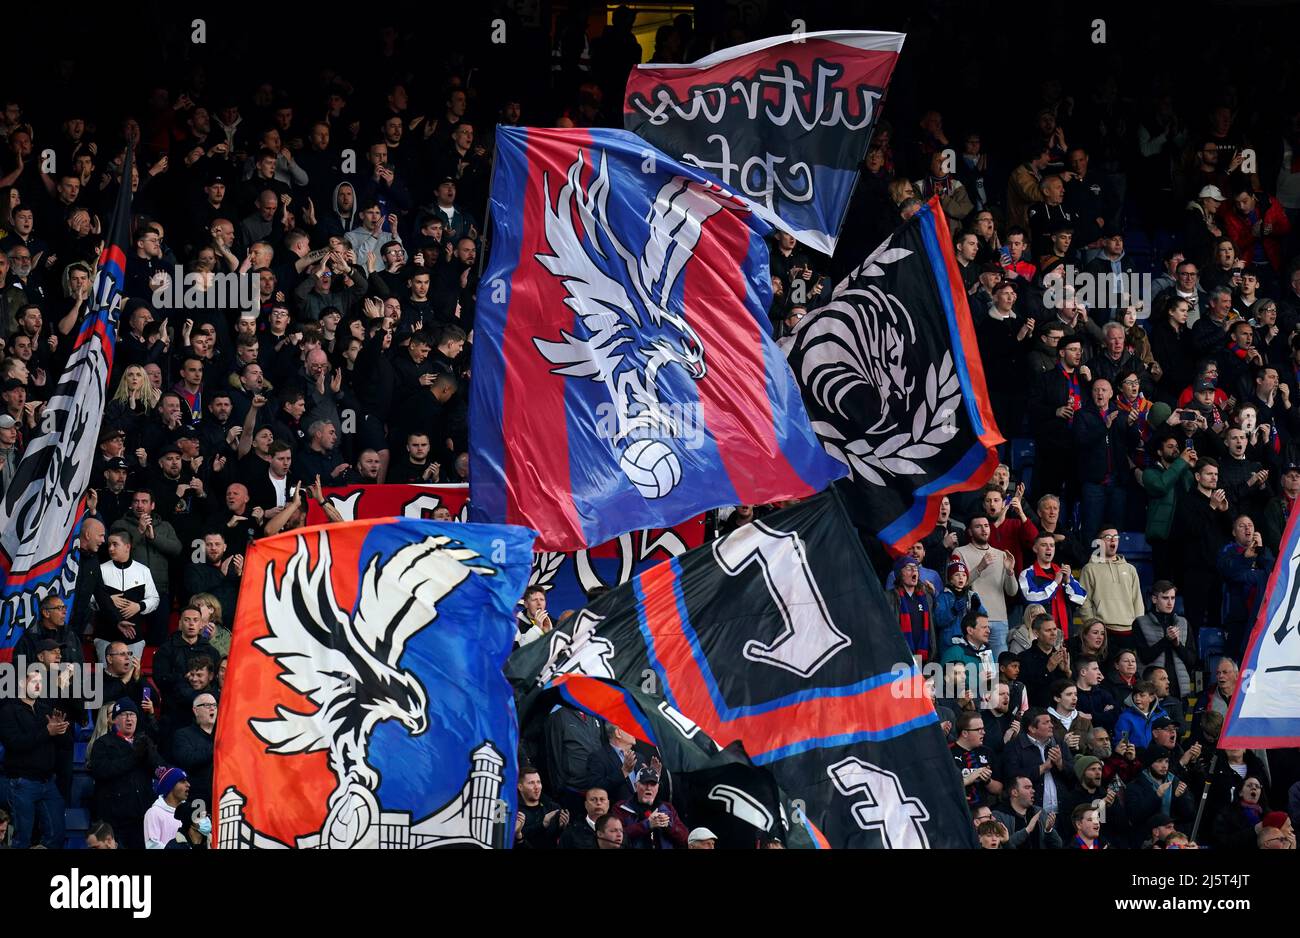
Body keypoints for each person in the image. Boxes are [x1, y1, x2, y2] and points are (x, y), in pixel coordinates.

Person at [0, 666, 67, 848]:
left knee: (57, 835)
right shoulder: (8, 710)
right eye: (34, 681)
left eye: (41, 682)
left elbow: (60, 745)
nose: (39, 685)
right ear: (22, 683)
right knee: (22, 838)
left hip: (48, 781)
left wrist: (60, 730)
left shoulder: (46, 710)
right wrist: (47, 731)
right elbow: (16, 743)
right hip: (22, 782)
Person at [86, 698, 162, 851]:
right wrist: (134, 757)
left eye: (132, 715)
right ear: (114, 720)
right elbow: (101, 770)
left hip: (142, 816)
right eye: (124, 714)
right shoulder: (103, 743)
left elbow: (158, 768)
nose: (129, 718)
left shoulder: (143, 741)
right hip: (116, 819)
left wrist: (162, 765)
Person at [952, 514, 1019, 659]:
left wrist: (1010, 571)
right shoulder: (960, 552)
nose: (984, 530)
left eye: (986, 526)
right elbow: (957, 585)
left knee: (1000, 666)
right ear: (970, 531)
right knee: (978, 667)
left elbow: (1012, 591)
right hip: (975, 619)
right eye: (978, 526)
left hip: (1000, 619)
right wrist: (980, 567)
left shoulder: (1001, 555)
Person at [1077, 525, 1145, 650]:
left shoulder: (1130, 569)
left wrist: (1137, 627)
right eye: (1108, 537)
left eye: (1116, 537)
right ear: (1099, 542)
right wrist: (1093, 627)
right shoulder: (1090, 569)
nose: (1113, 540)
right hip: (1103, 632)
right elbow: (1083, 600)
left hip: (1129, 631)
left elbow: (1137, 600)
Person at [1001, 709, 1075, 815]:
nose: (1051, 726)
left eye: (1050, 721)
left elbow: (1074, 774)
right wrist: (1043, 768)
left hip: (1061, 811)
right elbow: (1011, 777)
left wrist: (1060, 763)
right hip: (1031, 812)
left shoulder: (1059, 743)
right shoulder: (1014, 747)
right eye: (1046, 723)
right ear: (1032, 728)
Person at [1019, 533, 1086, 638]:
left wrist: (1068, 581)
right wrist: (1055, 583)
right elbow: (1031, 598)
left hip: (1065, 635)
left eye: (1052, 545)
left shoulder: (1062, 572)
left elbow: (1080, 599)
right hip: (1039, 637)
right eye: (1044, 545)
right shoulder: (1027, 574)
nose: (1049, 548)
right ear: (1035, 549)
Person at [615, 769, 689, 850]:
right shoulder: (621, 808)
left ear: (658, 788)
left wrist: (668, 825)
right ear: (635, 786)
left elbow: (685, 838)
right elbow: (617, 836)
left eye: (653, 784)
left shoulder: (668, 808)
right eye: (644, 783)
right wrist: (647, 824)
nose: (648, 788)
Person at [884, 555, 937, 663]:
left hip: (923, 657)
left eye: (916, 568)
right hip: (900, 656)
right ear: (900, 574)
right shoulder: (889, 597)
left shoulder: (926, 597)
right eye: (908, 568)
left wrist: (934, 596)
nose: (914, 571)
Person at [1127, 748, 1194, 830]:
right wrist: (1157, 796)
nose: (1164, 765)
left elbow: (1189, 815)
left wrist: (1179, 797)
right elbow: (1135, 816)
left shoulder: (1174, 781)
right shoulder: (1136, 785)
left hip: (1172, 834)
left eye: (1166, 761)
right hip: (1147, 836)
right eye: (1159, 761)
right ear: (1150, 764)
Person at [992, 774, 1064, 849]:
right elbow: (1000, 845)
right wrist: (1027, 830)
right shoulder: (999, 815)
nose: (1033, 791)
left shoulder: (1039, 812)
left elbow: (1058, 845)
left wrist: (1049, 831)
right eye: (1027, 787)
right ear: (1014, 792)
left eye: (1032, 787)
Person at [172, 693, 217, 808]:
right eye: (207, 705)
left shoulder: (221, 735)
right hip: (196, 800)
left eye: (215, 705)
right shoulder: (183, 735)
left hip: (220, 797)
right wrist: (217, 748)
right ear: (196, 710)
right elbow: (188, 760)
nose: (212, 708)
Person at [951, 711, 1003, 808]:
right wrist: (968, 779)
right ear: (965, 733)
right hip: (957, 810)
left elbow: (999, 789)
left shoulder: (987, 752)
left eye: (983, 729)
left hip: (983, 811)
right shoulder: (948, 753)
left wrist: (987, 781)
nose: (983, 732)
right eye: (979, 729)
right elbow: (940, 786)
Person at [933, 559, 986, 646]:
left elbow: (984, 619)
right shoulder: (943, 596)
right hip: (949, 642)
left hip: (969, 642)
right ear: (950, 579)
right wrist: (953, 611)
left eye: (964, 575)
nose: (961, 577)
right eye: (957, 575)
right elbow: (938, 621)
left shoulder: (971, 595)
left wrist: (976, 610)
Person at [515, 765, 567, 849]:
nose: (536, 787)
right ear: (520, 787)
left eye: (538, 782)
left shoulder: (552, 807)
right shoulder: (515, 811)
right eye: (531, 783)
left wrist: (561, 827)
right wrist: (542, 825)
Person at [1113, 680, 1169, 750]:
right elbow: (1123, 741)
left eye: (1142, 695)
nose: (1137, 698)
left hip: (1160, 757)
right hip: (1136, 758)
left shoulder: (1162, 714)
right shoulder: (1125, 718)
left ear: (1151, 698)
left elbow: (1169, 737)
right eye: (1135, 695)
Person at [143, 766, 190, 849]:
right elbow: (152, 846)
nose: (188, 785)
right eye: (182, 781)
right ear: (170, 786)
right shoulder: (154, 813)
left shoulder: (189, 811)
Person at [1074, 655, 1120, 732]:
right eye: (1095, 669)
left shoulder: (1103, 693)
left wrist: (1091, 716)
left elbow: (1115, 716)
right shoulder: (1072, 694)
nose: (1099, 673)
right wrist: (1103, 715)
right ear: (1083, 672)